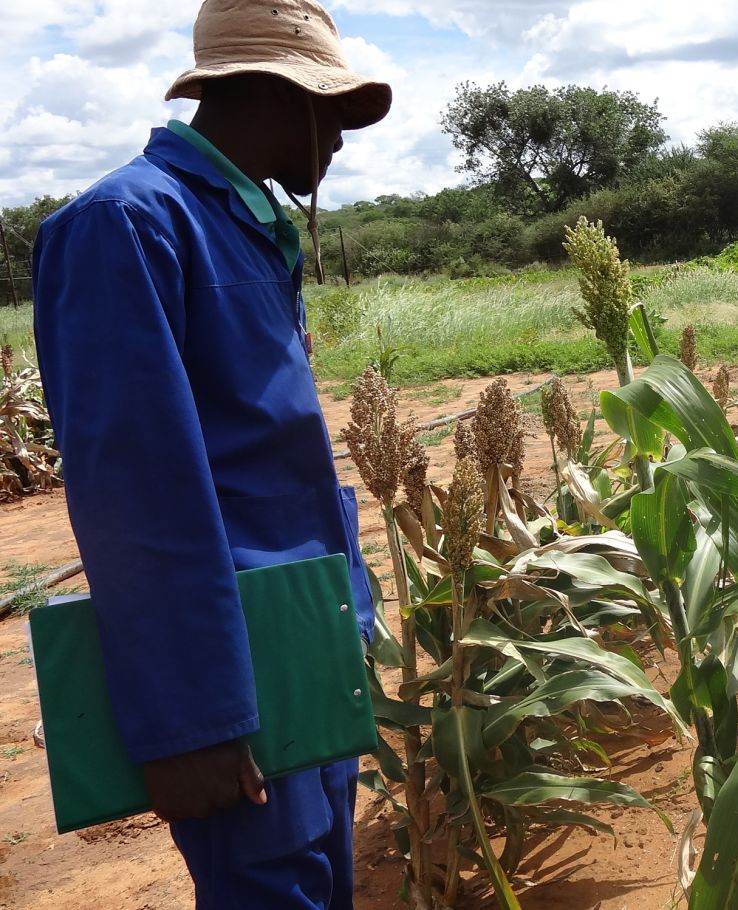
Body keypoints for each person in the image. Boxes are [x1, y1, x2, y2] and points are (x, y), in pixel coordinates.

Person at [31, 2, 391, 907]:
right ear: (274, 94)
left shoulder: (243, 221)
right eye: (335, 114)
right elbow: (136, 495)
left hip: (301, 637)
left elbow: (273, 457)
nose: (341, 143)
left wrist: (348, 614)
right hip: (230, 670)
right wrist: (192, 723)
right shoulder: (126, 225)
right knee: (273, 887)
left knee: (326, 879)